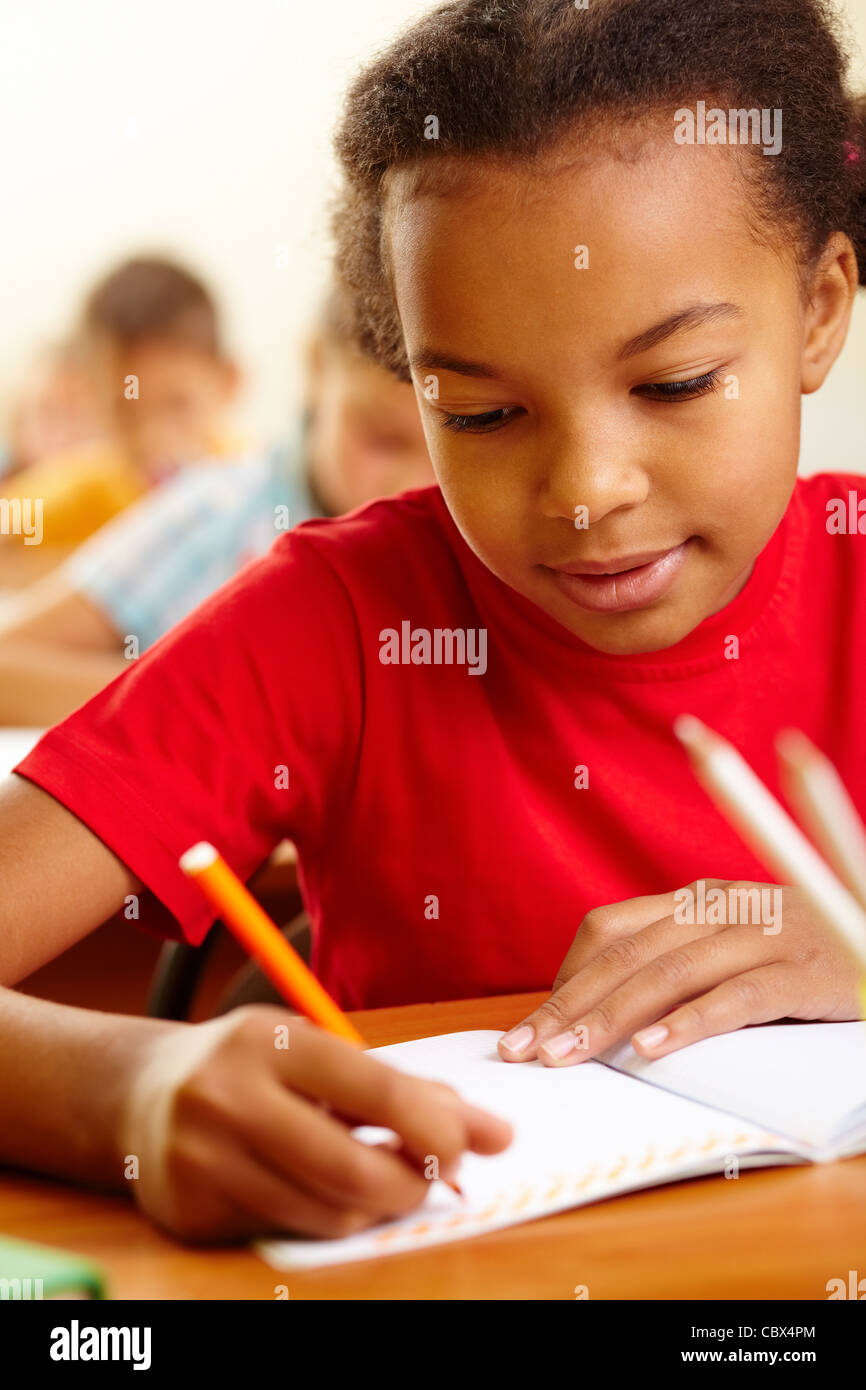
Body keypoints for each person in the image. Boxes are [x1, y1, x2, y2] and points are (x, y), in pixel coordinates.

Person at [1, 0, 865, 1242]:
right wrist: (121, 1091)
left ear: (821, 309)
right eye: (475, 413)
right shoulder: (331, 623)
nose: (584, 488)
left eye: (672, 384)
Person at [0, 286, 434, 724]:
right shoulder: (215, 510)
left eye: (471, 429)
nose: (418, 485)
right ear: (317, 364)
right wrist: (206, 701)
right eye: (383, 439)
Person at [0, 256, 241, 551]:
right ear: (91, 395)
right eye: (125, 410)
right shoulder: (85, 487)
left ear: (229, 381)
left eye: (176, 405)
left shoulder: (250, 473)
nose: (154, 438)